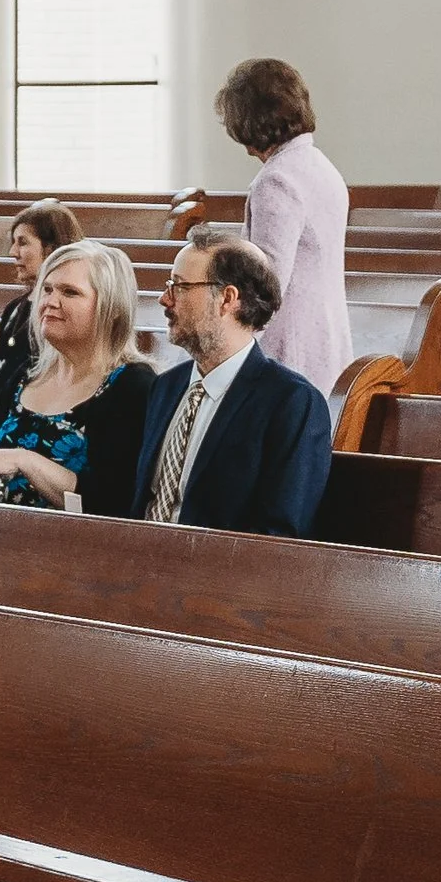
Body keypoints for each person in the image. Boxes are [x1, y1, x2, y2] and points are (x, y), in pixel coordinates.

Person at [133, 233, 334, 535]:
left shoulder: (291, 402)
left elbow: (280, 533)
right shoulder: (166, 387)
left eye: (181, 286)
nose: (165, 299)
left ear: (227, 299)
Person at [0, 242, 151, 511]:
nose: (50, 302)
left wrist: (26, 461)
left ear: (113, 308)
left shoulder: (132, 385)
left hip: (69, 545)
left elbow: (110, 501)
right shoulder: (28, 373)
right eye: (47, 289)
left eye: (69, 292)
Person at [216, 55, 350, 393]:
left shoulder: (276, 181)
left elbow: (267, 283)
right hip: (326, 336)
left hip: (290, 347)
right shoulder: (320, 166)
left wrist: (226, 350)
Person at [0, 201, 82, 423]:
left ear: (52, 248)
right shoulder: (15, 308)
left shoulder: (60, 313)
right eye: (13, 243)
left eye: (23, 243)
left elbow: (48, 375)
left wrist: (0, 415)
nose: (13, 252)